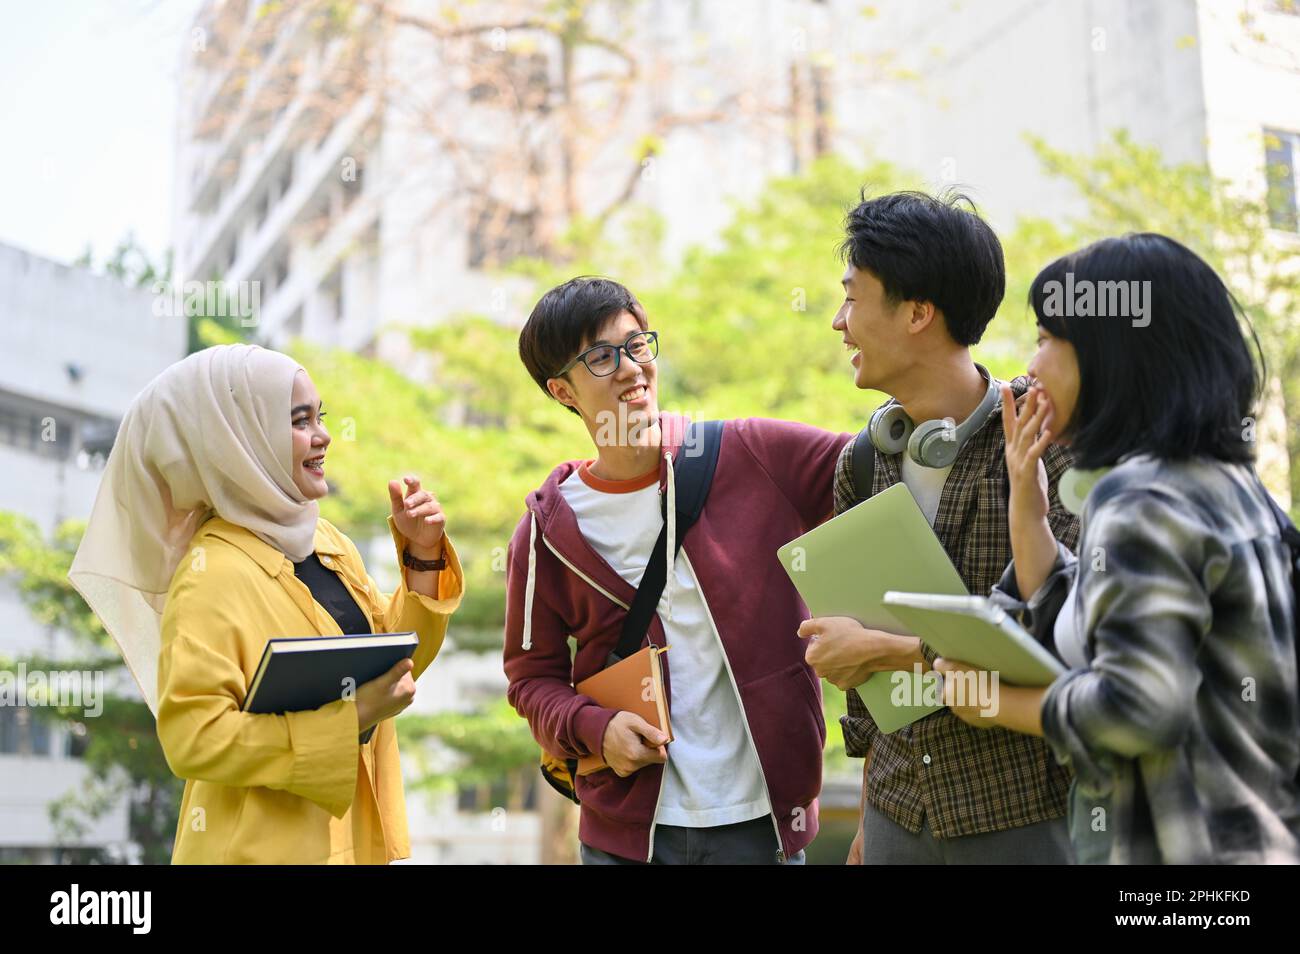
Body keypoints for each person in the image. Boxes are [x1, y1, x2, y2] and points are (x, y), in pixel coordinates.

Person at [935, 232, 1300, 864]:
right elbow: (1100, 627)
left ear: (1113, 354)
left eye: (1049, 338)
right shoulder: (1226, 485)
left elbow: (1138, 705)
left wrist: (994, 703)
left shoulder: (1142, 499)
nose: (1033, 364)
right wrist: (1028, 503)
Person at [68, 343, 463, 864]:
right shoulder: (211, 576)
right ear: (239, 439)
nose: (323, 435)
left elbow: (394, 655)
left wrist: (424, 554)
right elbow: (194, 738)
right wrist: (352, 717)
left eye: (319, 417)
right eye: (300, 421)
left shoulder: (326, 542)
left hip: (346, 845)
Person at [503, 276, 850, 864]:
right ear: (563, 391)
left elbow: (880, 463)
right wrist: (595, 728)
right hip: (625, 835)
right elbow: (531, 680)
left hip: (764, 821)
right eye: (602, 357)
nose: (631, 368)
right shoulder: (547, 531)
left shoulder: (751, 456)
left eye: (638, 346)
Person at [800, 191, 1080, 864]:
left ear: (918, 312)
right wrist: (871, 816)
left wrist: (885, 647)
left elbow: (1059, 637)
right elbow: (872, 696)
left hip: (1023, 814)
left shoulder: (1048, 441)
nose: (839, 323)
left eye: (852, 299)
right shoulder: (861, 462)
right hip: (899, 815)